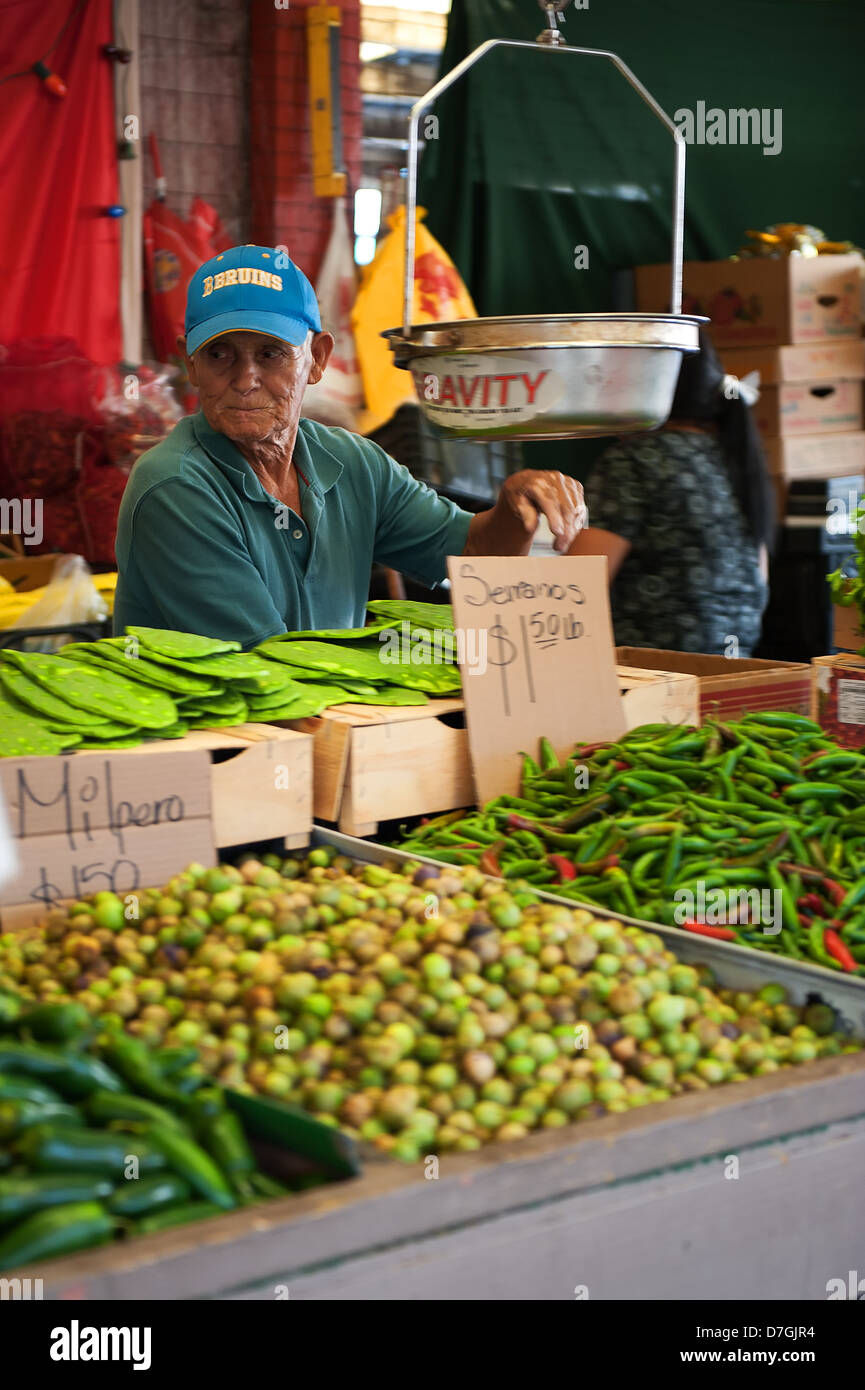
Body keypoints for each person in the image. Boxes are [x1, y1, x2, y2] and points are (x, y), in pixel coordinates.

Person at [114, 245, 587, 646]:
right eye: (219, 354)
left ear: (317, 359)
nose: (244, 380)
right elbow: (265, 673)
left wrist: (514, 506)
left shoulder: (353, 464)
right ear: (190, 365)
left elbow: (476, 553)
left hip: (324, 727)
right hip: (219, 747)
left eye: (270, 353)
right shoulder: (174, 487)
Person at [567, 328, 775, 655]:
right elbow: (756, 585)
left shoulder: (634, 462)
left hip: (654, 685)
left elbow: (573, 592)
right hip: (733, 673)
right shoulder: (736, 461)